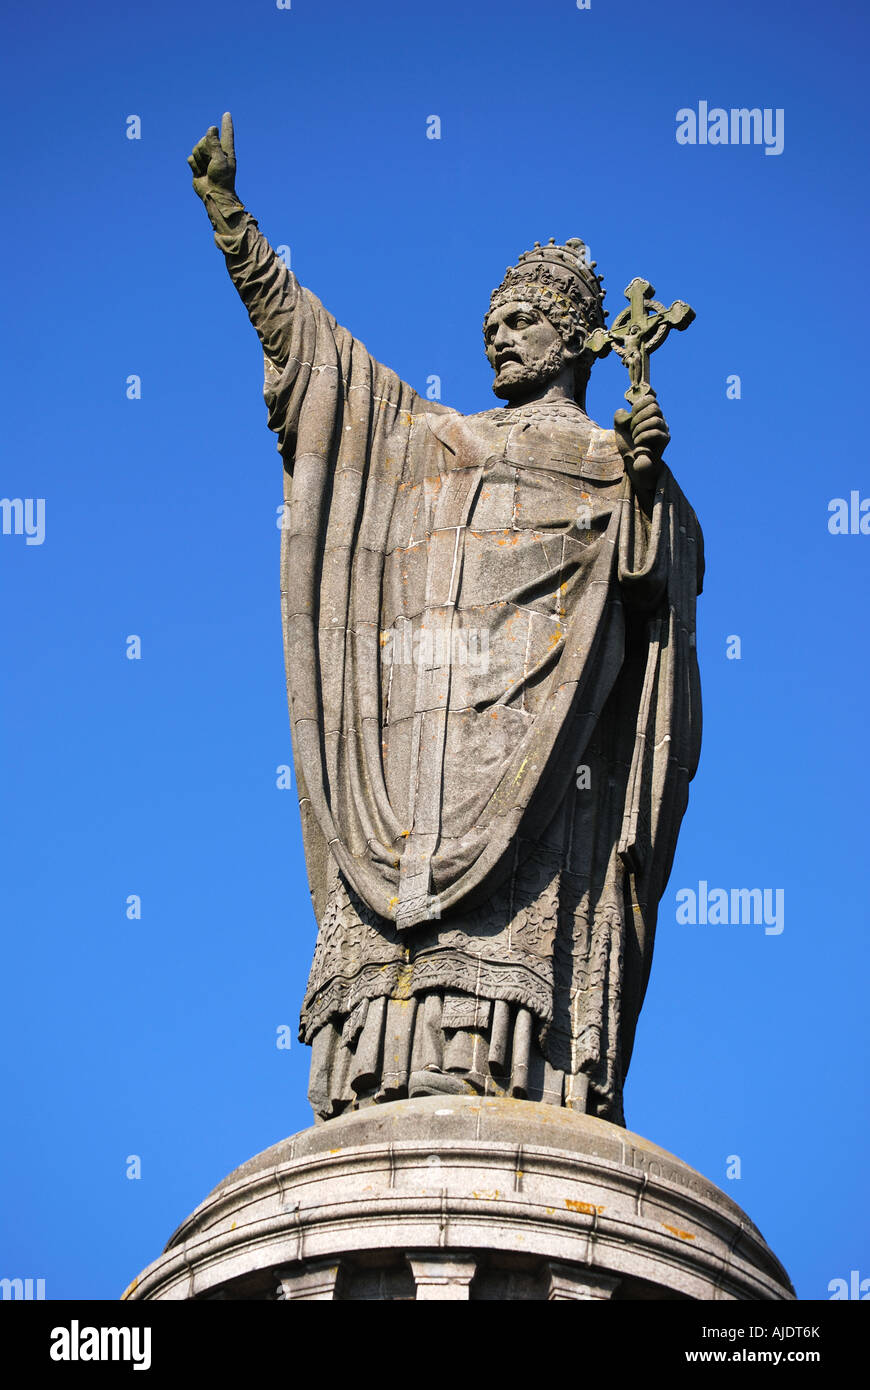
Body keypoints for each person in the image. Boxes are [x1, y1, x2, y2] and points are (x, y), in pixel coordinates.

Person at [189, 114, 704, 1124]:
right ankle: (384, 1065)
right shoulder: (432, 440)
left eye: (523, 320)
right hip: (415, 755)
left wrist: (647, 479)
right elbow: (319, 358)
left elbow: (654, 591)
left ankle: (513, 1065)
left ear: (581, 339)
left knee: (526, 912)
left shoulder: (608, 464)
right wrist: (233, 225)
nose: (499, 335)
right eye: (494, 322)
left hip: (546, 754)